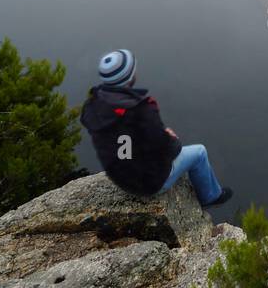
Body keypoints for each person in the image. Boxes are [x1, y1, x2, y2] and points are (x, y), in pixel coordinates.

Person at [81, 48, 233, 210]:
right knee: (199, 152)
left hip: (119, 178)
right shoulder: (140, 109)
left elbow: (122, 140)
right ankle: (211, 196)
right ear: (131, 76)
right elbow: (169, 149)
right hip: (148, 184)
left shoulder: (93, 106)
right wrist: (171, 138)